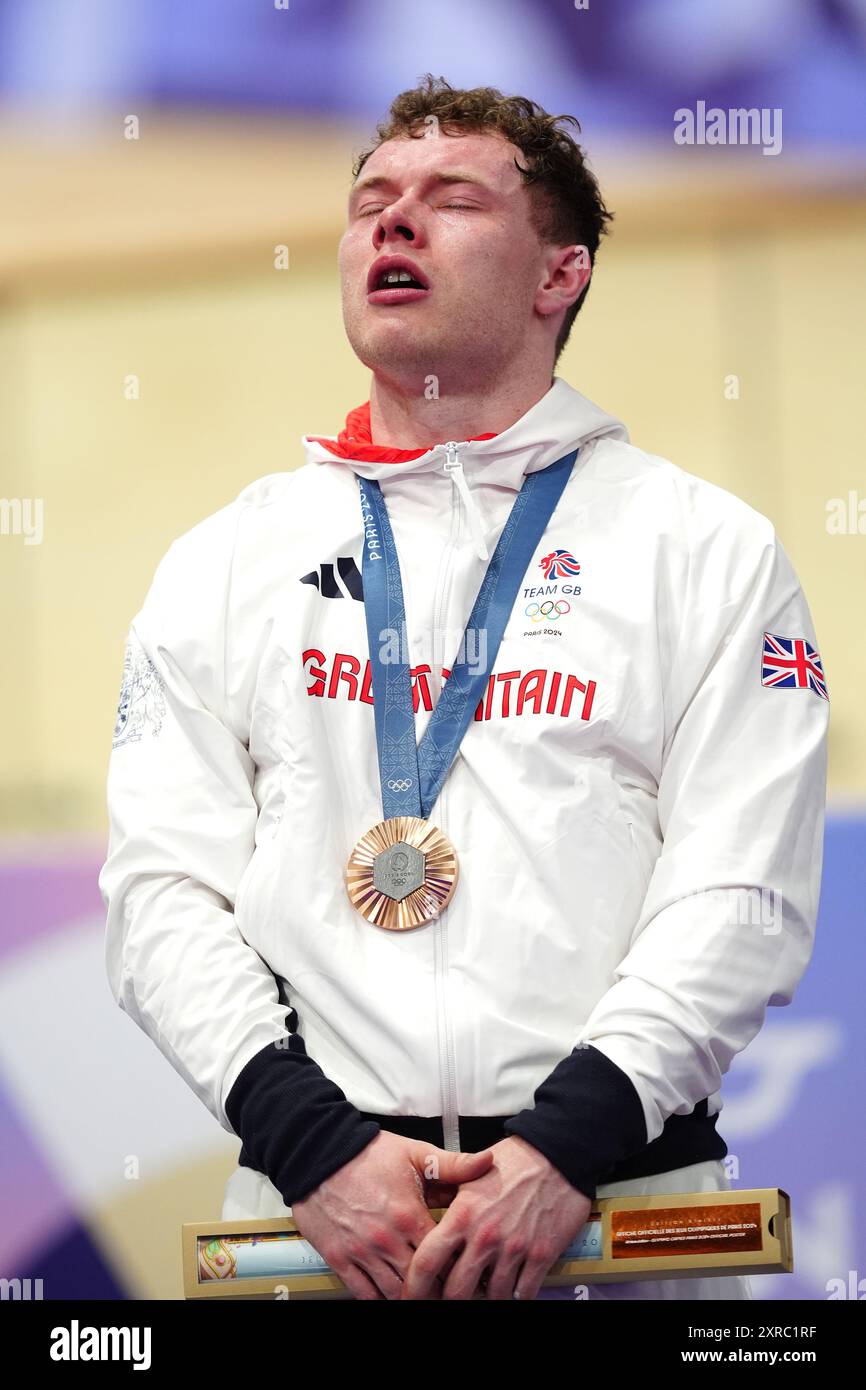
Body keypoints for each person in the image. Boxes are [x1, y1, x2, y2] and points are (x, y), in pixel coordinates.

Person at [98, 75, 829, 1302]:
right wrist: (315, 1148)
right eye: (371, 200)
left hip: (618, 1211)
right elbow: (162, 893)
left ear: (561, 273)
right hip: (322, 1218)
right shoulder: (227, 558)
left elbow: (739, 892)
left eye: (449, 199)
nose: (392, 222)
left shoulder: (702, 548)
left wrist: (560, 1151)